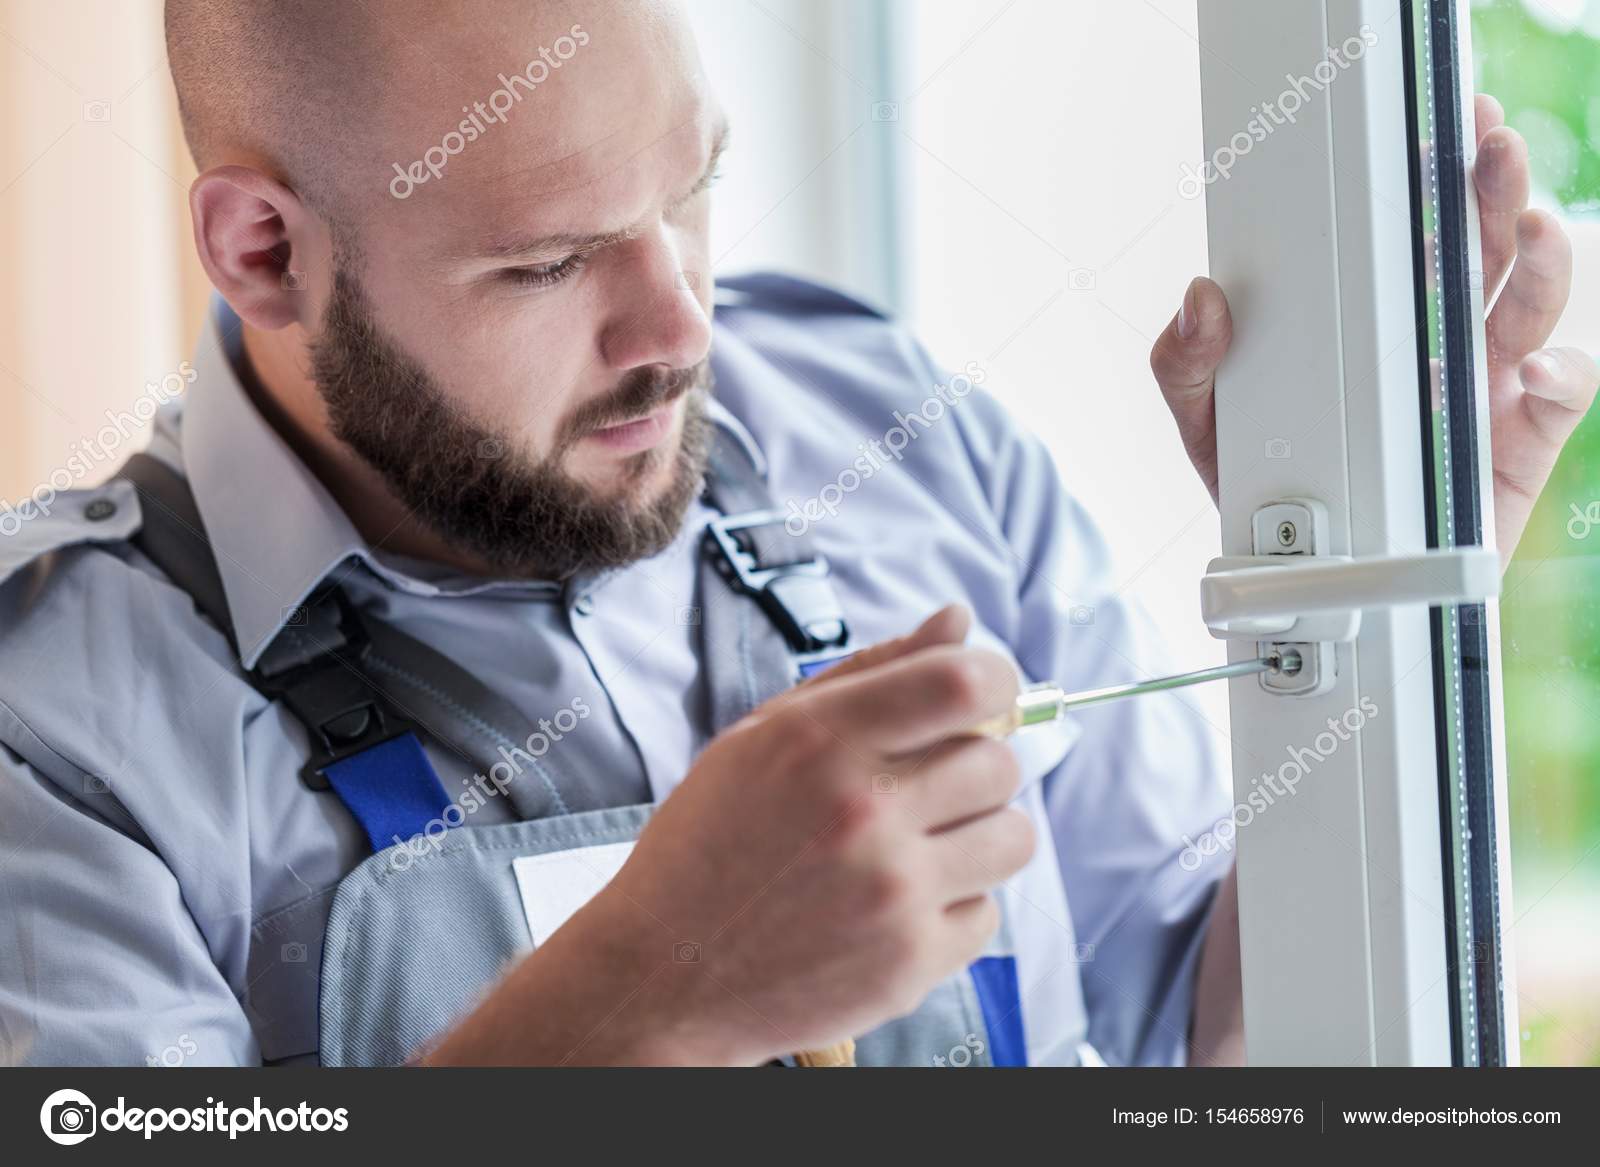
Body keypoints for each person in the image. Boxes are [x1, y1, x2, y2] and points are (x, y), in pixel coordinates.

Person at [0, 0, 1591, 1067]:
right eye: (551, 264)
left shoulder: (892, 426)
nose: (681, 327)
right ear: (264, 248)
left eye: (691, 190)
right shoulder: (52, 727)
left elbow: (1219, 1031)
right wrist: (645, 993)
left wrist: (1395, 591)